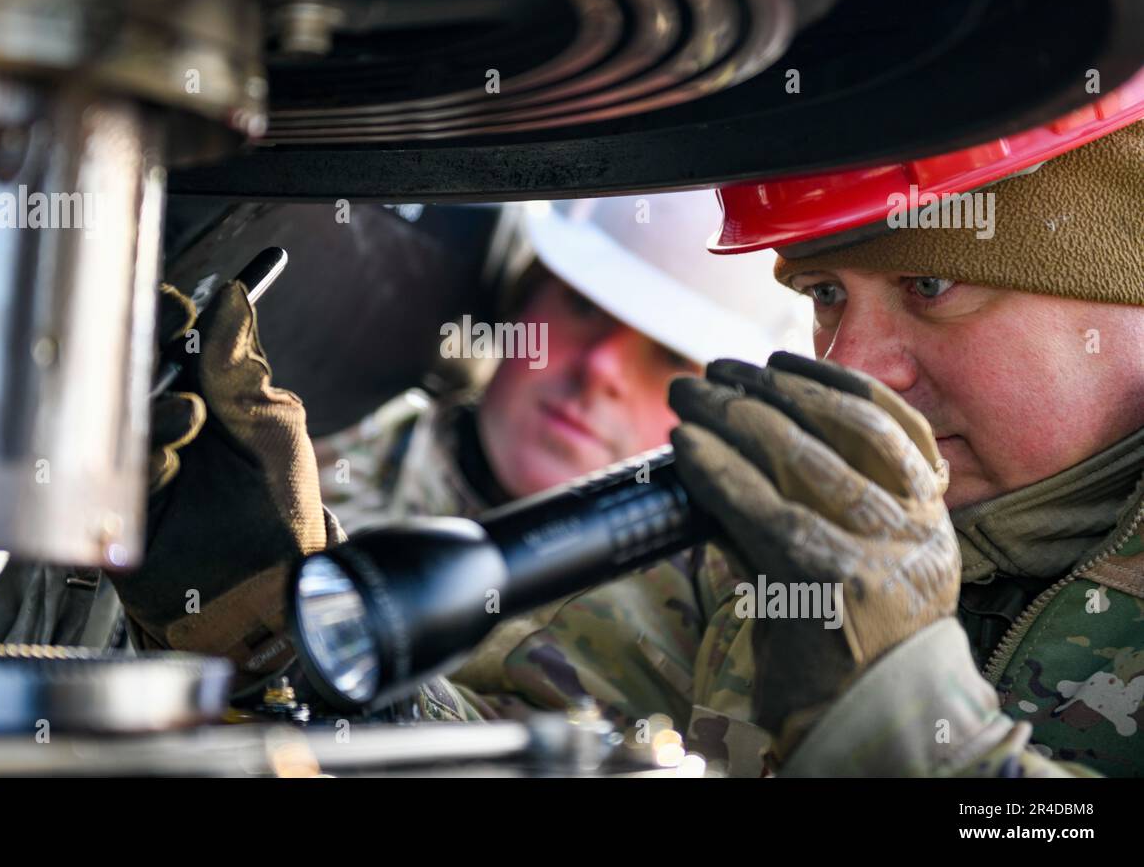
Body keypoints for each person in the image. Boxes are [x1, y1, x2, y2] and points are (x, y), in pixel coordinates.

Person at [117, 86, 1144, 777]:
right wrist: (276, 629)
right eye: (827, 294)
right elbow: (514, 749)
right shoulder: (759, 553)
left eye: (932, 284)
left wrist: (900, 718)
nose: (850, 367)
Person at [311, 193, 808, 689]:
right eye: (584, 304)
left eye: (671, 357)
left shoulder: (699, 642)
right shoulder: (300, 452)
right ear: (521, 297)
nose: (601, 367)